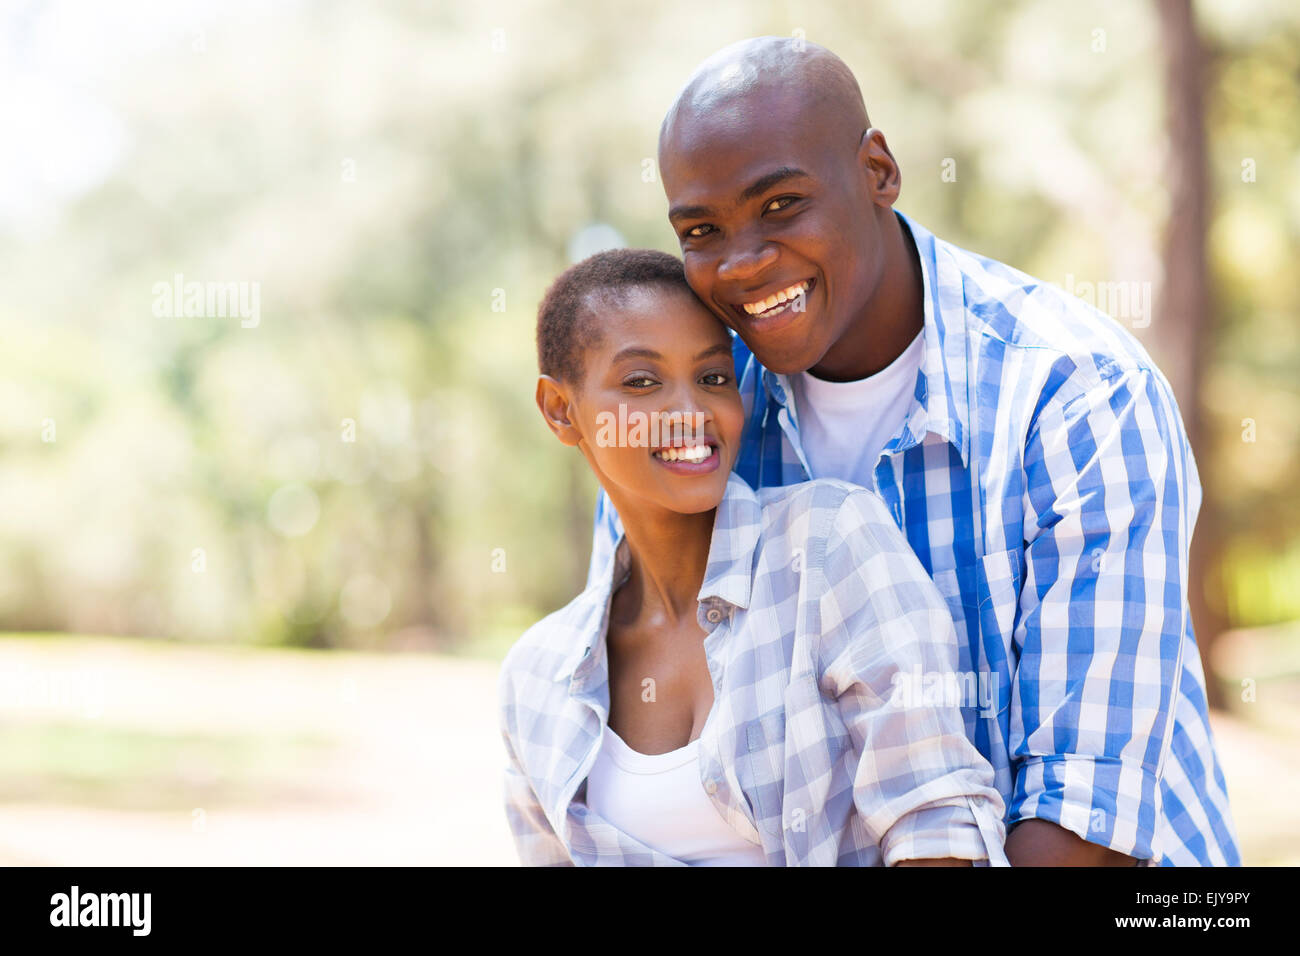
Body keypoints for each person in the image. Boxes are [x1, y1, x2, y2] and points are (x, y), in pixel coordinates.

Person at [587, 37, 1240, 866]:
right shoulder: (693, 423)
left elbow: (1085, 821)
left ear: (878, 172)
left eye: (782, 205)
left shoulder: (1079, 395)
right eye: (703, 230)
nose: (744, 262)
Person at [498, 248, 1009, 866]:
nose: (690, 414)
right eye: (642, 382)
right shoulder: (536, 679)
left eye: (712, 378)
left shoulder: (827, 545)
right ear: (560, 410)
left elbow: (937, 829)